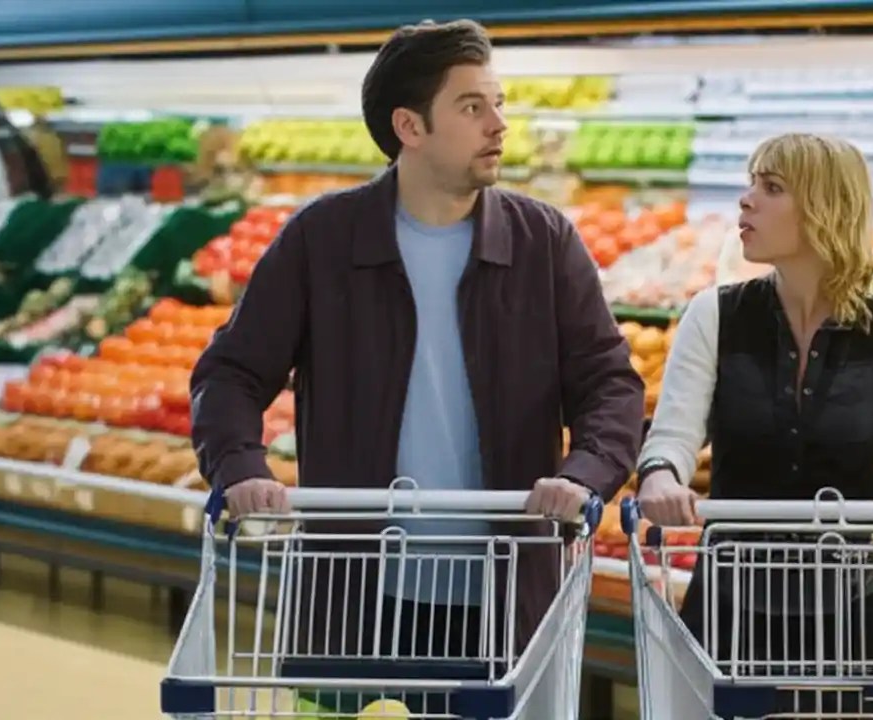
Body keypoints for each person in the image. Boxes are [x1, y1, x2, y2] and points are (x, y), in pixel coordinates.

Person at [189, 18, 644, 706]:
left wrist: (584, 475)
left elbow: (609, 384)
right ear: (410, 126)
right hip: (348, 594)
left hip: (500, 596)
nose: (499, 124)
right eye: (472, 106)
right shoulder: (322, 239)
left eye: (499, 104)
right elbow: (232, 372)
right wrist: (240, 465)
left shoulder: (543, 242)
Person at [634, 133, 873, 710]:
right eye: (751, 183)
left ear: (825, 211)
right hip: (729, 612)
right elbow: (671, 438)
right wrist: (659, 477)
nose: (746, 201)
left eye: (771, 188)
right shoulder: (715, 317)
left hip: (852, 619)